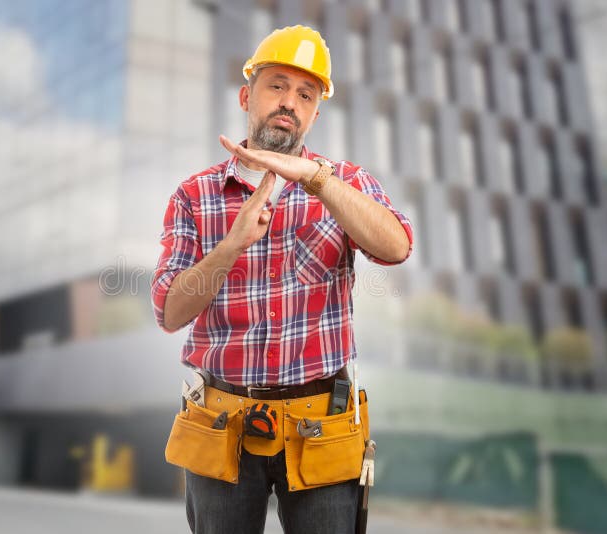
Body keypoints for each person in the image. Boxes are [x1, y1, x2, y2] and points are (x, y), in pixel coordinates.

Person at [152, 25, 413, 534]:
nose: (289, 102)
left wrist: (317, 181)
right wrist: (230, 246)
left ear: (315, 113)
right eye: (276, 86)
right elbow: (169, 313)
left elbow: (397, 246)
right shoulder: (195, 196)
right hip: (222, 422)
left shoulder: (346, 185)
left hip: (323, 426)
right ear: (248, 95)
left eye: (305, 94)